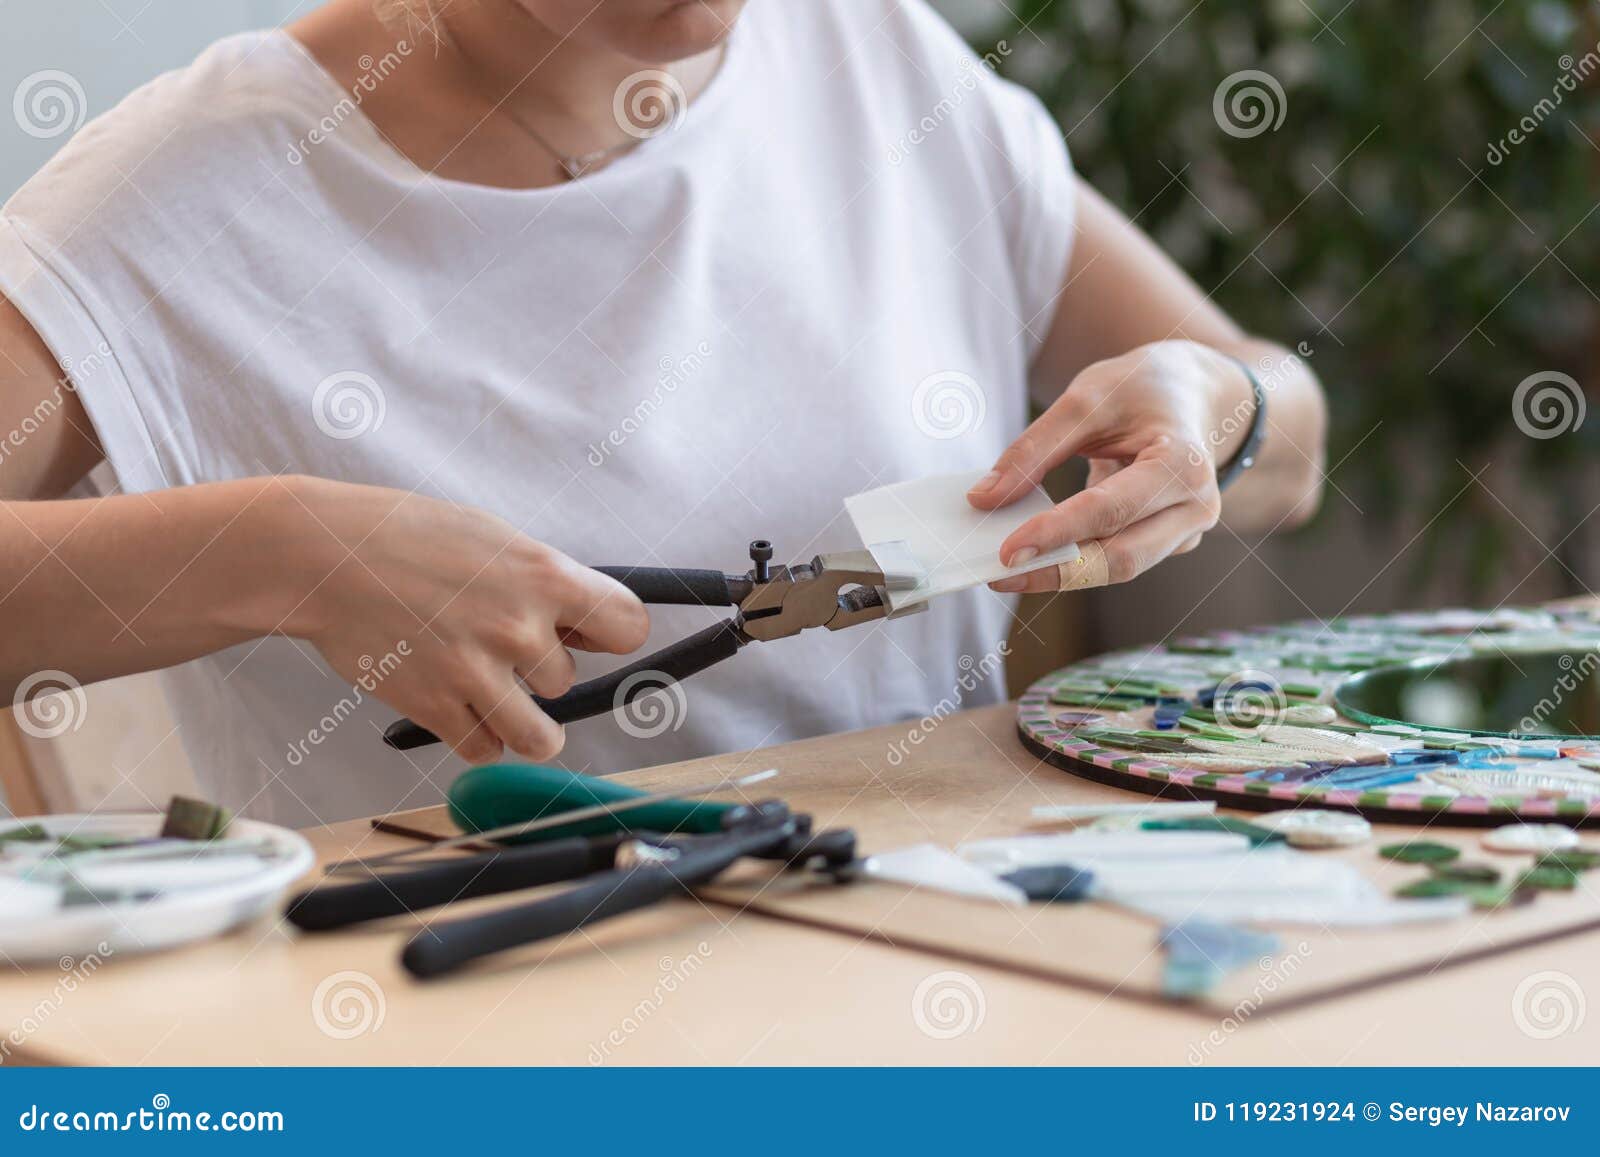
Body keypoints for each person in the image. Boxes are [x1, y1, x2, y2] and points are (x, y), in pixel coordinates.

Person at [0, 0, 1326, 825]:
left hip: (946, 985)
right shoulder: (191, 192)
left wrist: (1218, 408)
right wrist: (278, 552)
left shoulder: (876, 57)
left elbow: (1283, 437)